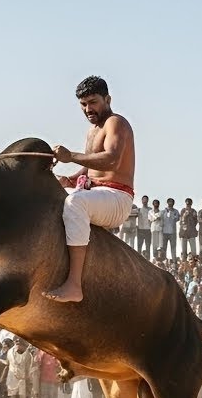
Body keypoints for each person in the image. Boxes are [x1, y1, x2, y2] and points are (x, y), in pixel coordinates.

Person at [44, 76, 136, 303]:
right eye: (83, 105)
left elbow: (111, 160)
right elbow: (88, 170)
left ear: (108, 99)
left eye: (93, 102)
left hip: (117, 198)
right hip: (94, 194)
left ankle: (74, 285)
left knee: (75, 203)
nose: (88, 109)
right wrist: (67, 180)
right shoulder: (92, 131)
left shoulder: (116, 123)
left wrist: (70, 156)